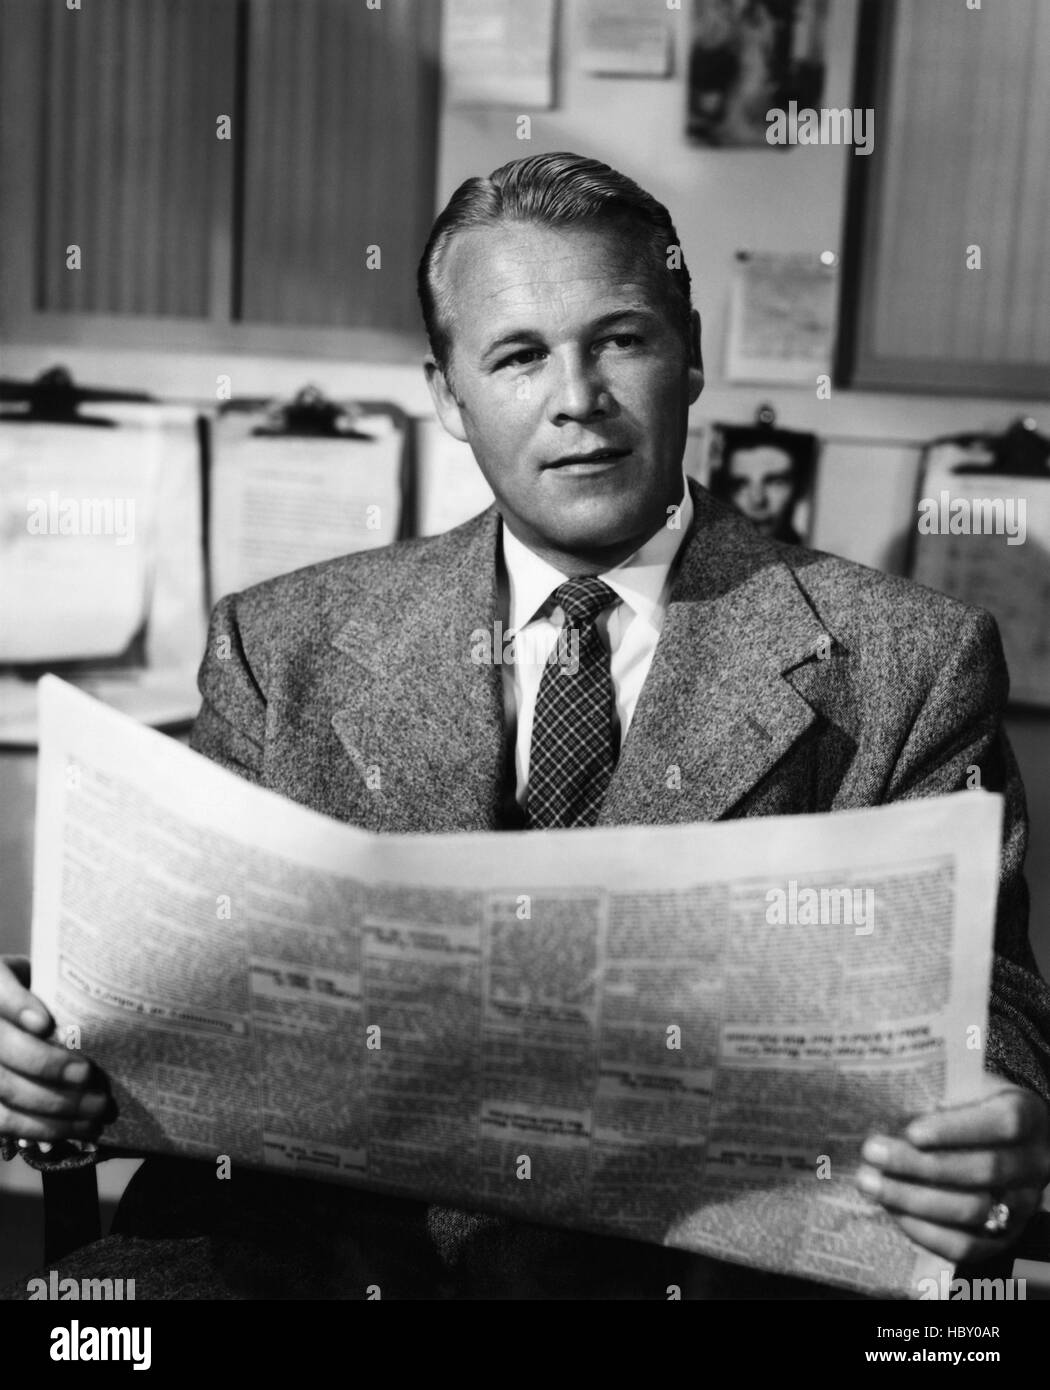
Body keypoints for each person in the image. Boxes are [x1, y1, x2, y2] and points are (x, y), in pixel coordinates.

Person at [2, 152, 1049, 1299]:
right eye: (517, 355)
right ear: (449, 395)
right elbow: (180, 972)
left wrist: (1001, 1109)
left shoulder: (909, 656)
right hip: (305, 1249)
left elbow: (989, 998)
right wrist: (51, 1058)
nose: (578, 399)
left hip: (689, 1265)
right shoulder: (281, 642)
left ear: (689, 353)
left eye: (622, 339)